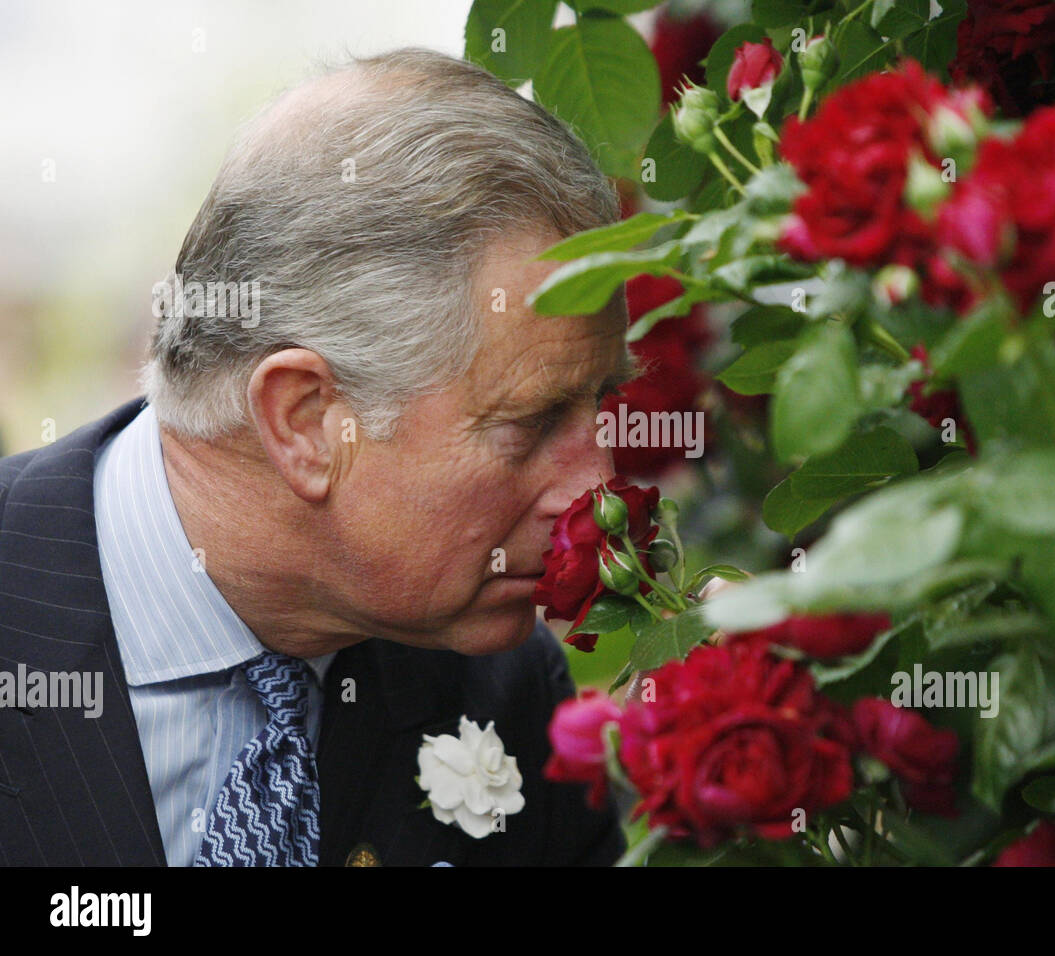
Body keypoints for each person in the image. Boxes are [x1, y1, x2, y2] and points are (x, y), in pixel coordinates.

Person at [0, 48, 635, 866]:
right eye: (533, 421)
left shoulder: (504, 687)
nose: (600, 486)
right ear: (304, 420)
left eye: (603, 406)